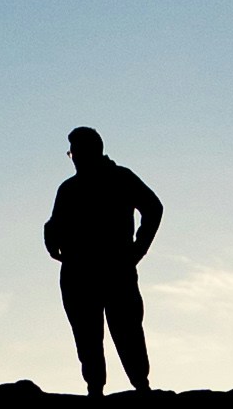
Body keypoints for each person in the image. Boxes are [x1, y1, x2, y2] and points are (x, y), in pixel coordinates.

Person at [43, 127, 162, 395]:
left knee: (126, 330)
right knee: (88, 335)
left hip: (113, 269)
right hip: (79, 273)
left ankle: (139, 386)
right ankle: (96, 389)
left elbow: (153, 208)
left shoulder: (120, 178)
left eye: (74, 152)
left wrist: (137, 250)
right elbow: (56, 224)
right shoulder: (69, 189)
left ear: (90, 150)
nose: (72, 157)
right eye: (70, 153)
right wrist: (50, 237)